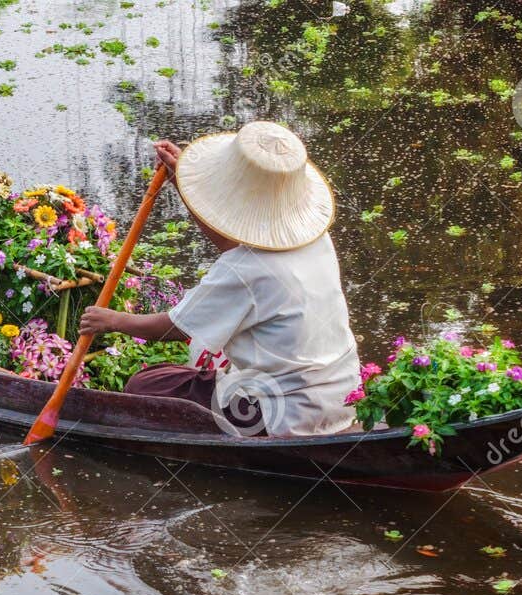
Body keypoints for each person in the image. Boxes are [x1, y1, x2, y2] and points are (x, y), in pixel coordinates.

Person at [78, 122, 361, 437]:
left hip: (282, 414)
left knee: (144, 384)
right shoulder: (315, 239)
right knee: (189, 373)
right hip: (343, 396)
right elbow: (236, 244)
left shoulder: (244, 269)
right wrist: (181, 184)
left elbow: (176, 327)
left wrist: (113, 321)